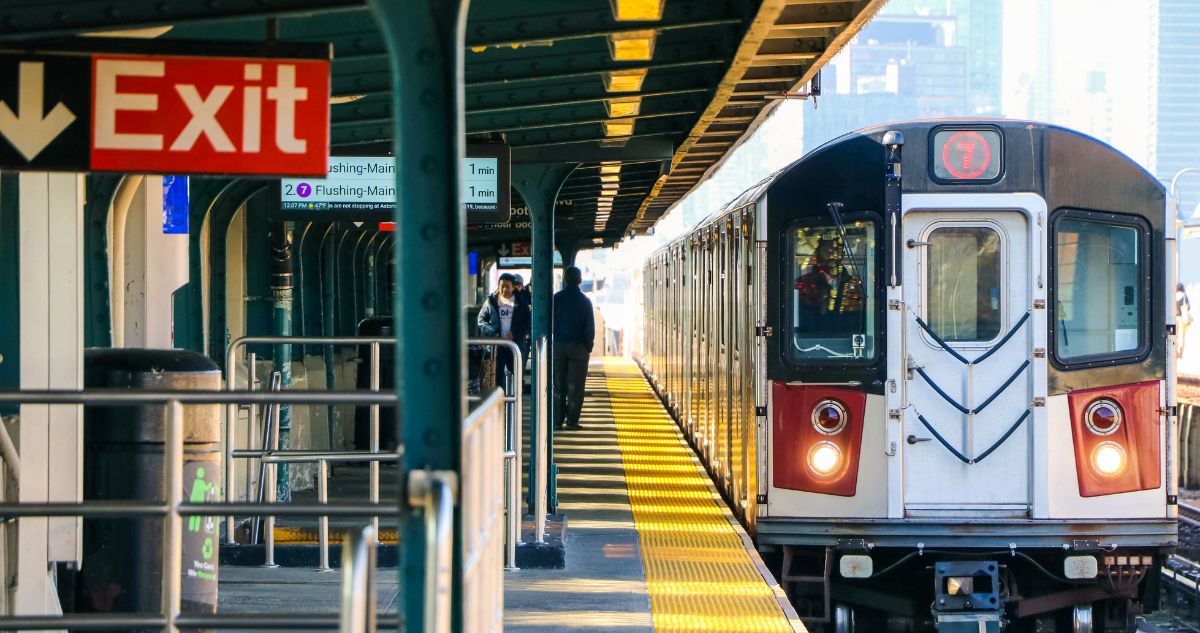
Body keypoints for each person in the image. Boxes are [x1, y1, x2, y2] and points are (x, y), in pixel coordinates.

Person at [553, 266, 594, 430]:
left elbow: (551, 322)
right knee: (575, 387)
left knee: (558, 386)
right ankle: (572, 421)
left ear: (564, 279)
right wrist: (588, 346)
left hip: (559, 345)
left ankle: (557, 421)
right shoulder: (585, 301)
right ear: (580, 281)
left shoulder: (556, 298)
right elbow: (589, 328)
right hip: (578, 348)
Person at [477, 273, 531, 391]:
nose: (504, 289)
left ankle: (516, 402)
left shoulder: (521, 303)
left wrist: (515, 334)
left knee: (516, 374)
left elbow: (527, 324)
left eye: (507, 286)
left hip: (515, 344)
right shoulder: (491, 302)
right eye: (502, 286)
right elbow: (481, 321)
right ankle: (500, 403)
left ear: (513, 287)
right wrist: (493, 333)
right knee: (497, 376)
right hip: (497, 345)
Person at [1177, 283, 1193, 358]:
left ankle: (1174, 350)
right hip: (1182, 319)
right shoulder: (1184, 296)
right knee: (1182, 336)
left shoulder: (1172, 295)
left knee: (1172, 335)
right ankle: (1180, 352)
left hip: (1172, 319)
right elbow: (1188, 307)